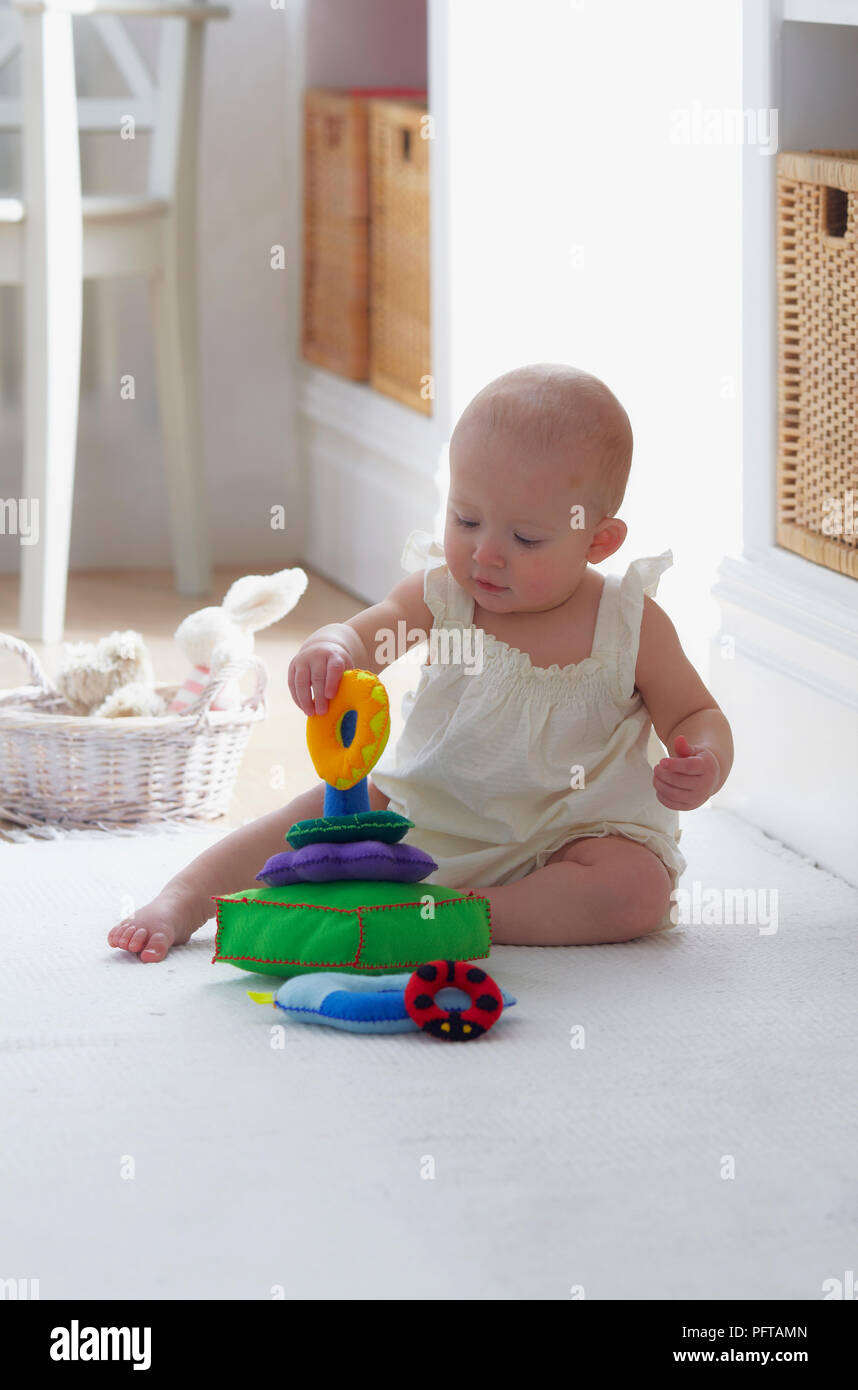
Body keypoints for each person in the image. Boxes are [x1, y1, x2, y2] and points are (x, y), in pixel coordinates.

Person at [108, 363, 732, 962]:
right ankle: (183, 900)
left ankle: (468, 911)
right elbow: (365, 637)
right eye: (467, 519)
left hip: (571, 836)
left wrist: (702, 757)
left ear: (598, 540)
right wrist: (333, 649)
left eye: (525, 539)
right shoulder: (444, 596)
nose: (486, 554)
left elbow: (696, 712)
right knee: (304, 817)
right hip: (426, 810)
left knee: (636, 890)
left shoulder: (628, 622)